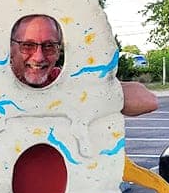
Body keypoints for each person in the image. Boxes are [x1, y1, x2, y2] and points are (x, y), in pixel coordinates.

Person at [9, 14, 158, 116]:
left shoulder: (63, 81)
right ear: (10, 47)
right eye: (27, 45)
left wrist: (71, 92)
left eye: (49, 46)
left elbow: (148, 101)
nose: (39, 56)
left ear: (59, 50)